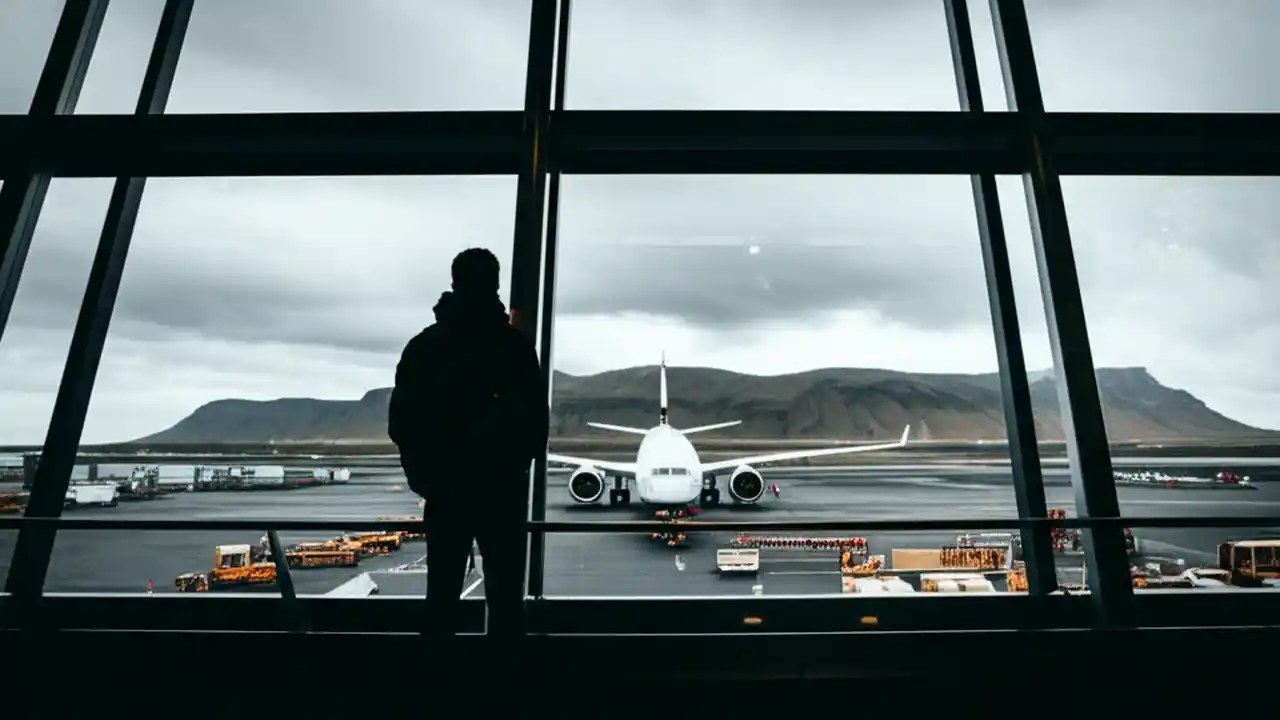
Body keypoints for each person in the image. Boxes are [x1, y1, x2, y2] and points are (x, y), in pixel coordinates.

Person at [388, 247, 548, 684]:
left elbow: (402, 421)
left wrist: (426, 480)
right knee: (505, 598)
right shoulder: (514, 348)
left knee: (440, 595)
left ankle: (437, 686)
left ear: (454, 281)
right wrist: (510, 467)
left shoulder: (426, 347)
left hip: (446, 491)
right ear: (495, 284)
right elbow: (536, 425)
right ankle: (506, 685)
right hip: (501, 492)